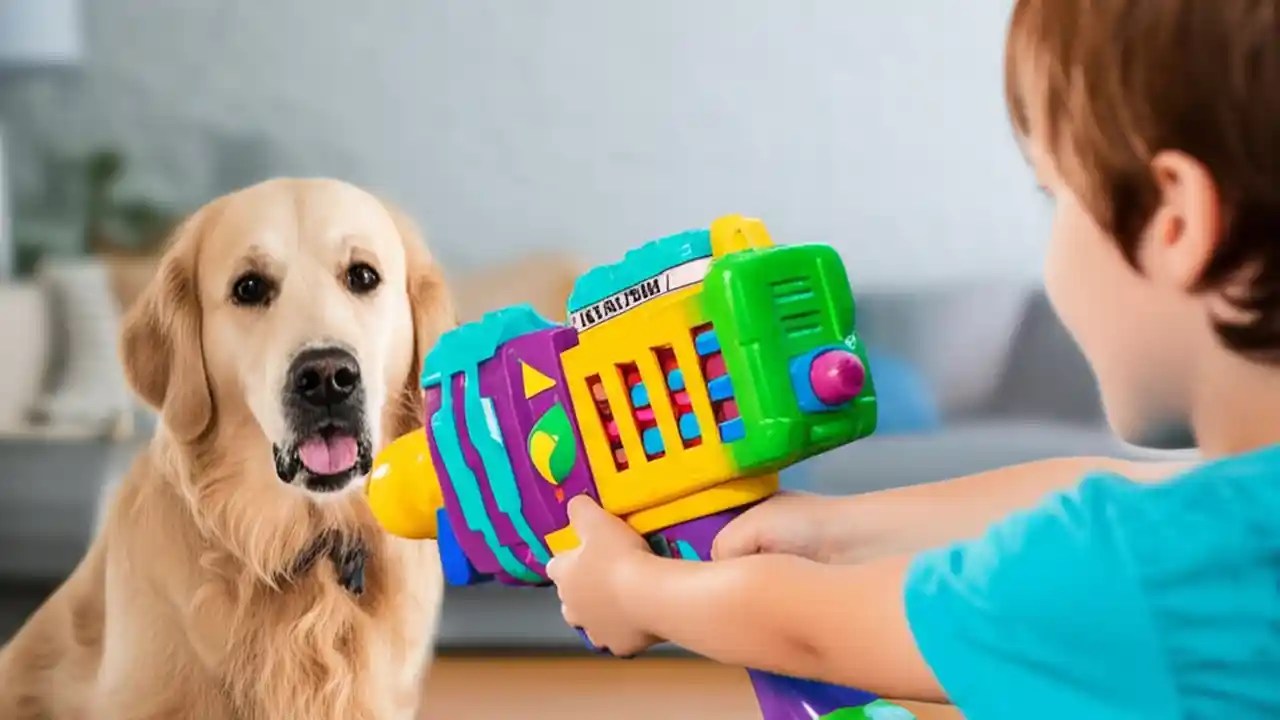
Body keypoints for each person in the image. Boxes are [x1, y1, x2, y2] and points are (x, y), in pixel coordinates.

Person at [545, 0, 1280, 716]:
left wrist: (633, 590)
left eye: (1054, 195)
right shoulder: (1226, 534)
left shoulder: (1144, 575)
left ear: (1175, 223)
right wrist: (836, 531)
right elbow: (1134, 492)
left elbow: (814, 632)